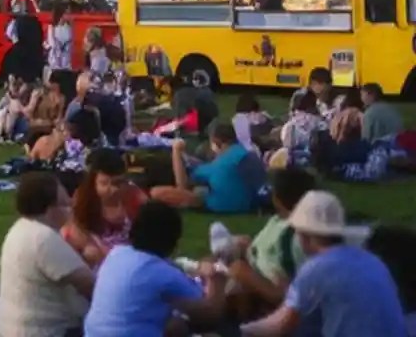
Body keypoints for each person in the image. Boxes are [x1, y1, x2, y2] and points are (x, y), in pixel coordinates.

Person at [240, 190, 406, 336]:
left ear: (304, 235)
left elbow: (281, 325)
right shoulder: (371, 260)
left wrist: (241, 330)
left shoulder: (316, 270)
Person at [84, 200, 227, 337]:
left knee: (175, 324)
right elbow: (210, 312)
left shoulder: (116, 254)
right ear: (172, 241)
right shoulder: (161, 272)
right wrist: (217, 278)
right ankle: (223, 253)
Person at [0, 172, 94, 337]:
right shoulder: (43, 239)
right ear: (50, 209)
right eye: (65, 205)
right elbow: (89, 285)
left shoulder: (19, 229)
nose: (71, 207)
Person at [224, 168, 317, 315]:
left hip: (266, 291)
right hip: (253, 265)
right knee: (229, 254)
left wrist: (248, 275)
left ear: (277, 198)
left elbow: (287, 292)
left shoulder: (293, 236)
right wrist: (248, 246)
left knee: (236, 272)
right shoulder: (278, 220)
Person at [150, 124, 262, 213]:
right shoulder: (250, 155)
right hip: (249, 204)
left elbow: (182, 185)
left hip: (220, 205)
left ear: (217, 142)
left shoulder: (220, 164)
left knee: (156, 192)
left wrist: (176, 150)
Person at [63, 148, 147, 268]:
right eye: (104, 183)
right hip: (100, 257)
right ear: (92, 183)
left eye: (118, 183)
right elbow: (73, 231)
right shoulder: (83, 199)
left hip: (132, 255)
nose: (113, 190)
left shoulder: (134, 196)